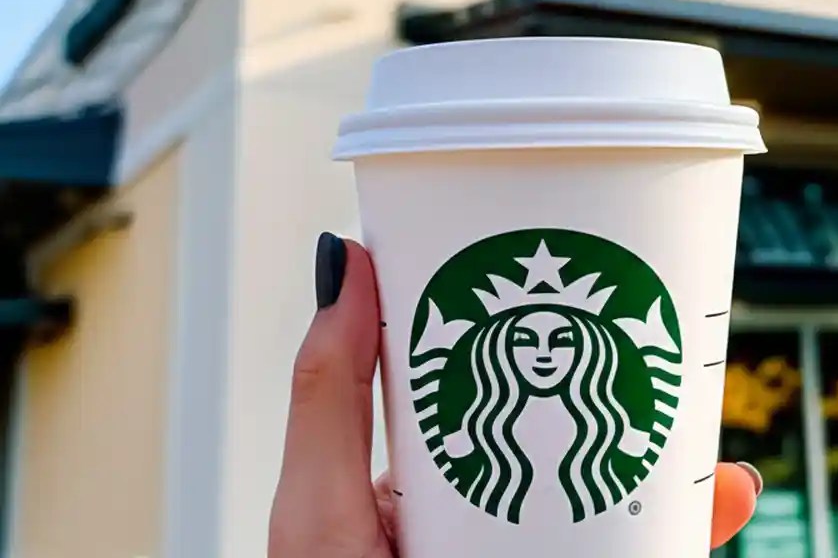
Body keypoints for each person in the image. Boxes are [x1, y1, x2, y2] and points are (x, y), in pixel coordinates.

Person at [269, 234, 763, 557]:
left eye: (563, 339)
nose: (544, 354)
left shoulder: (622, 440)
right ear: (499, 351)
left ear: (591, 350)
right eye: (525, 340)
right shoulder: (469, 442)